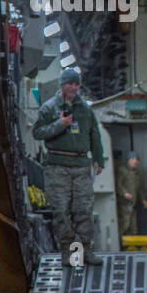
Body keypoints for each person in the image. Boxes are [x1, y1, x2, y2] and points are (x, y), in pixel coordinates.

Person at [32, 66, 106, 267]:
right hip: (58, 166)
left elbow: (94, 135)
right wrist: (60, 124)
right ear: (62, 85)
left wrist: (99, 159)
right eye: (69, 84)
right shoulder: (49, 108)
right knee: (61, 212)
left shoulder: (85, 110)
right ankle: (69, 252)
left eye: (76, 84)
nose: (73, 88)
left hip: (81, 165)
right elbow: (37, 132)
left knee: (83, 210)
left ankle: (86, 251)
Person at [116, 151, 147, 239]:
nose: (135, 161)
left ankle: (130, 249)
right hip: (123, 205)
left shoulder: (136, 173)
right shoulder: (122, 170)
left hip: (132, 205)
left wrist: (143, 200)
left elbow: (139, 189)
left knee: (133, 228)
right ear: (128, 160)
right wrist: (124, 193)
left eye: (137, 159)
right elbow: (117, 184)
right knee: (124, 226)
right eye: (133, 159)